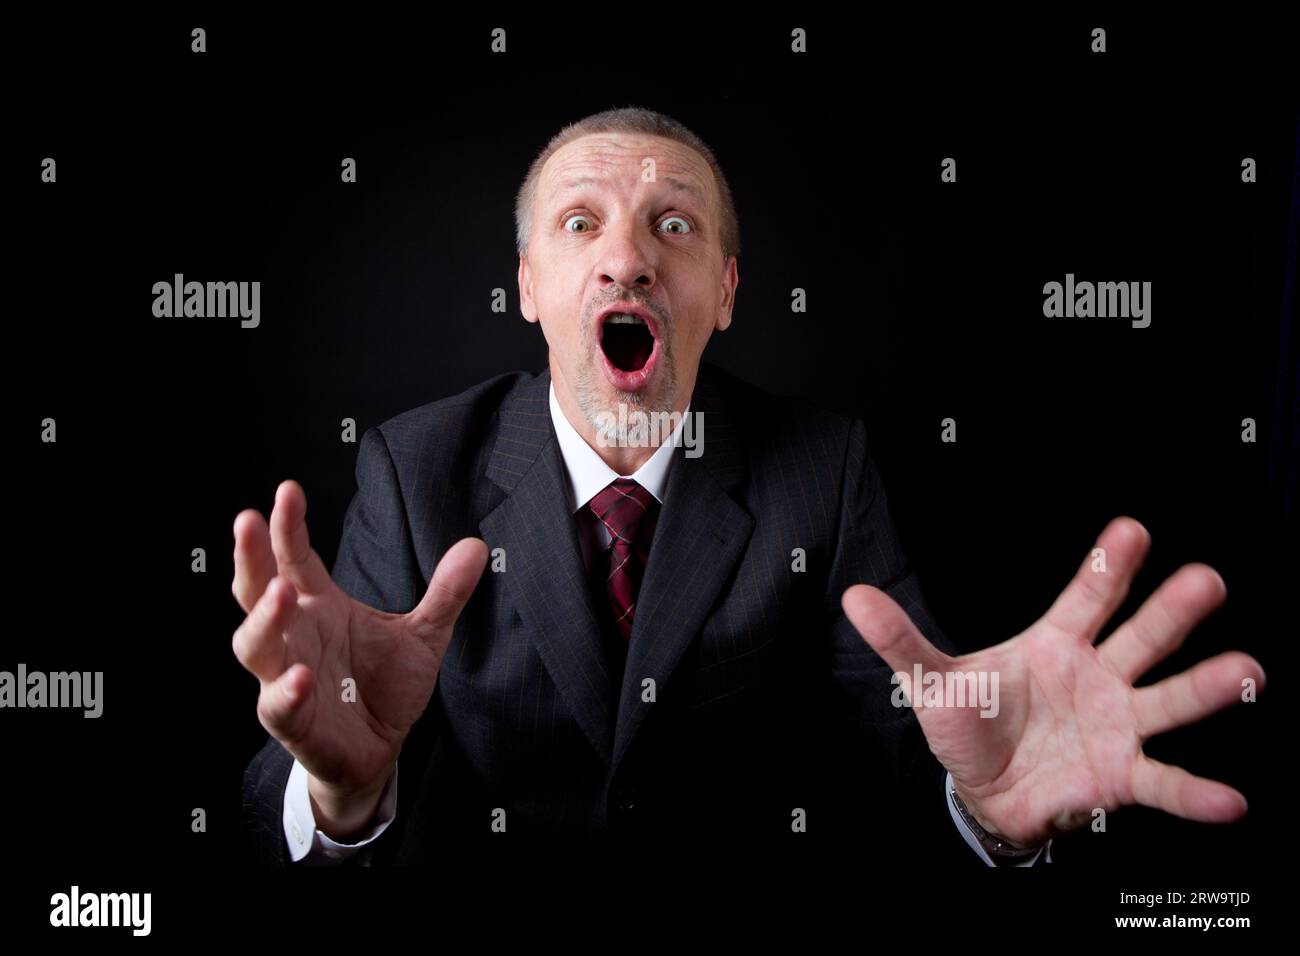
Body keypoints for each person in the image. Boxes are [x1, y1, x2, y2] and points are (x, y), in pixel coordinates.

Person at [235, 107, 1264, 866]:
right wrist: (341, 792)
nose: (627, 259)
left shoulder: (826, 467)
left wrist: (988, 801)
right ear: (528, 285)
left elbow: (914, 742)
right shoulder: (413, 470)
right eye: (581, 223)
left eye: (672, 225)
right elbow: (277, 795)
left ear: (725, 291)